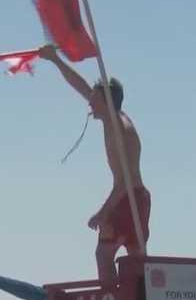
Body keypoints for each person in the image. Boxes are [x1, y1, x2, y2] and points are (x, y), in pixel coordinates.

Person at [37, 44, 150, 286]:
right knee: (127, 253)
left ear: (107, 101)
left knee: (115, 254)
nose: (89, 103)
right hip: (127, 195)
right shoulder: (111, 120)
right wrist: (55, 60)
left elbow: (126, 182)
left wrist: (103, 212)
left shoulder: (123, 131)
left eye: (95, 99)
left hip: (131, 196)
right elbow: (80, 86)